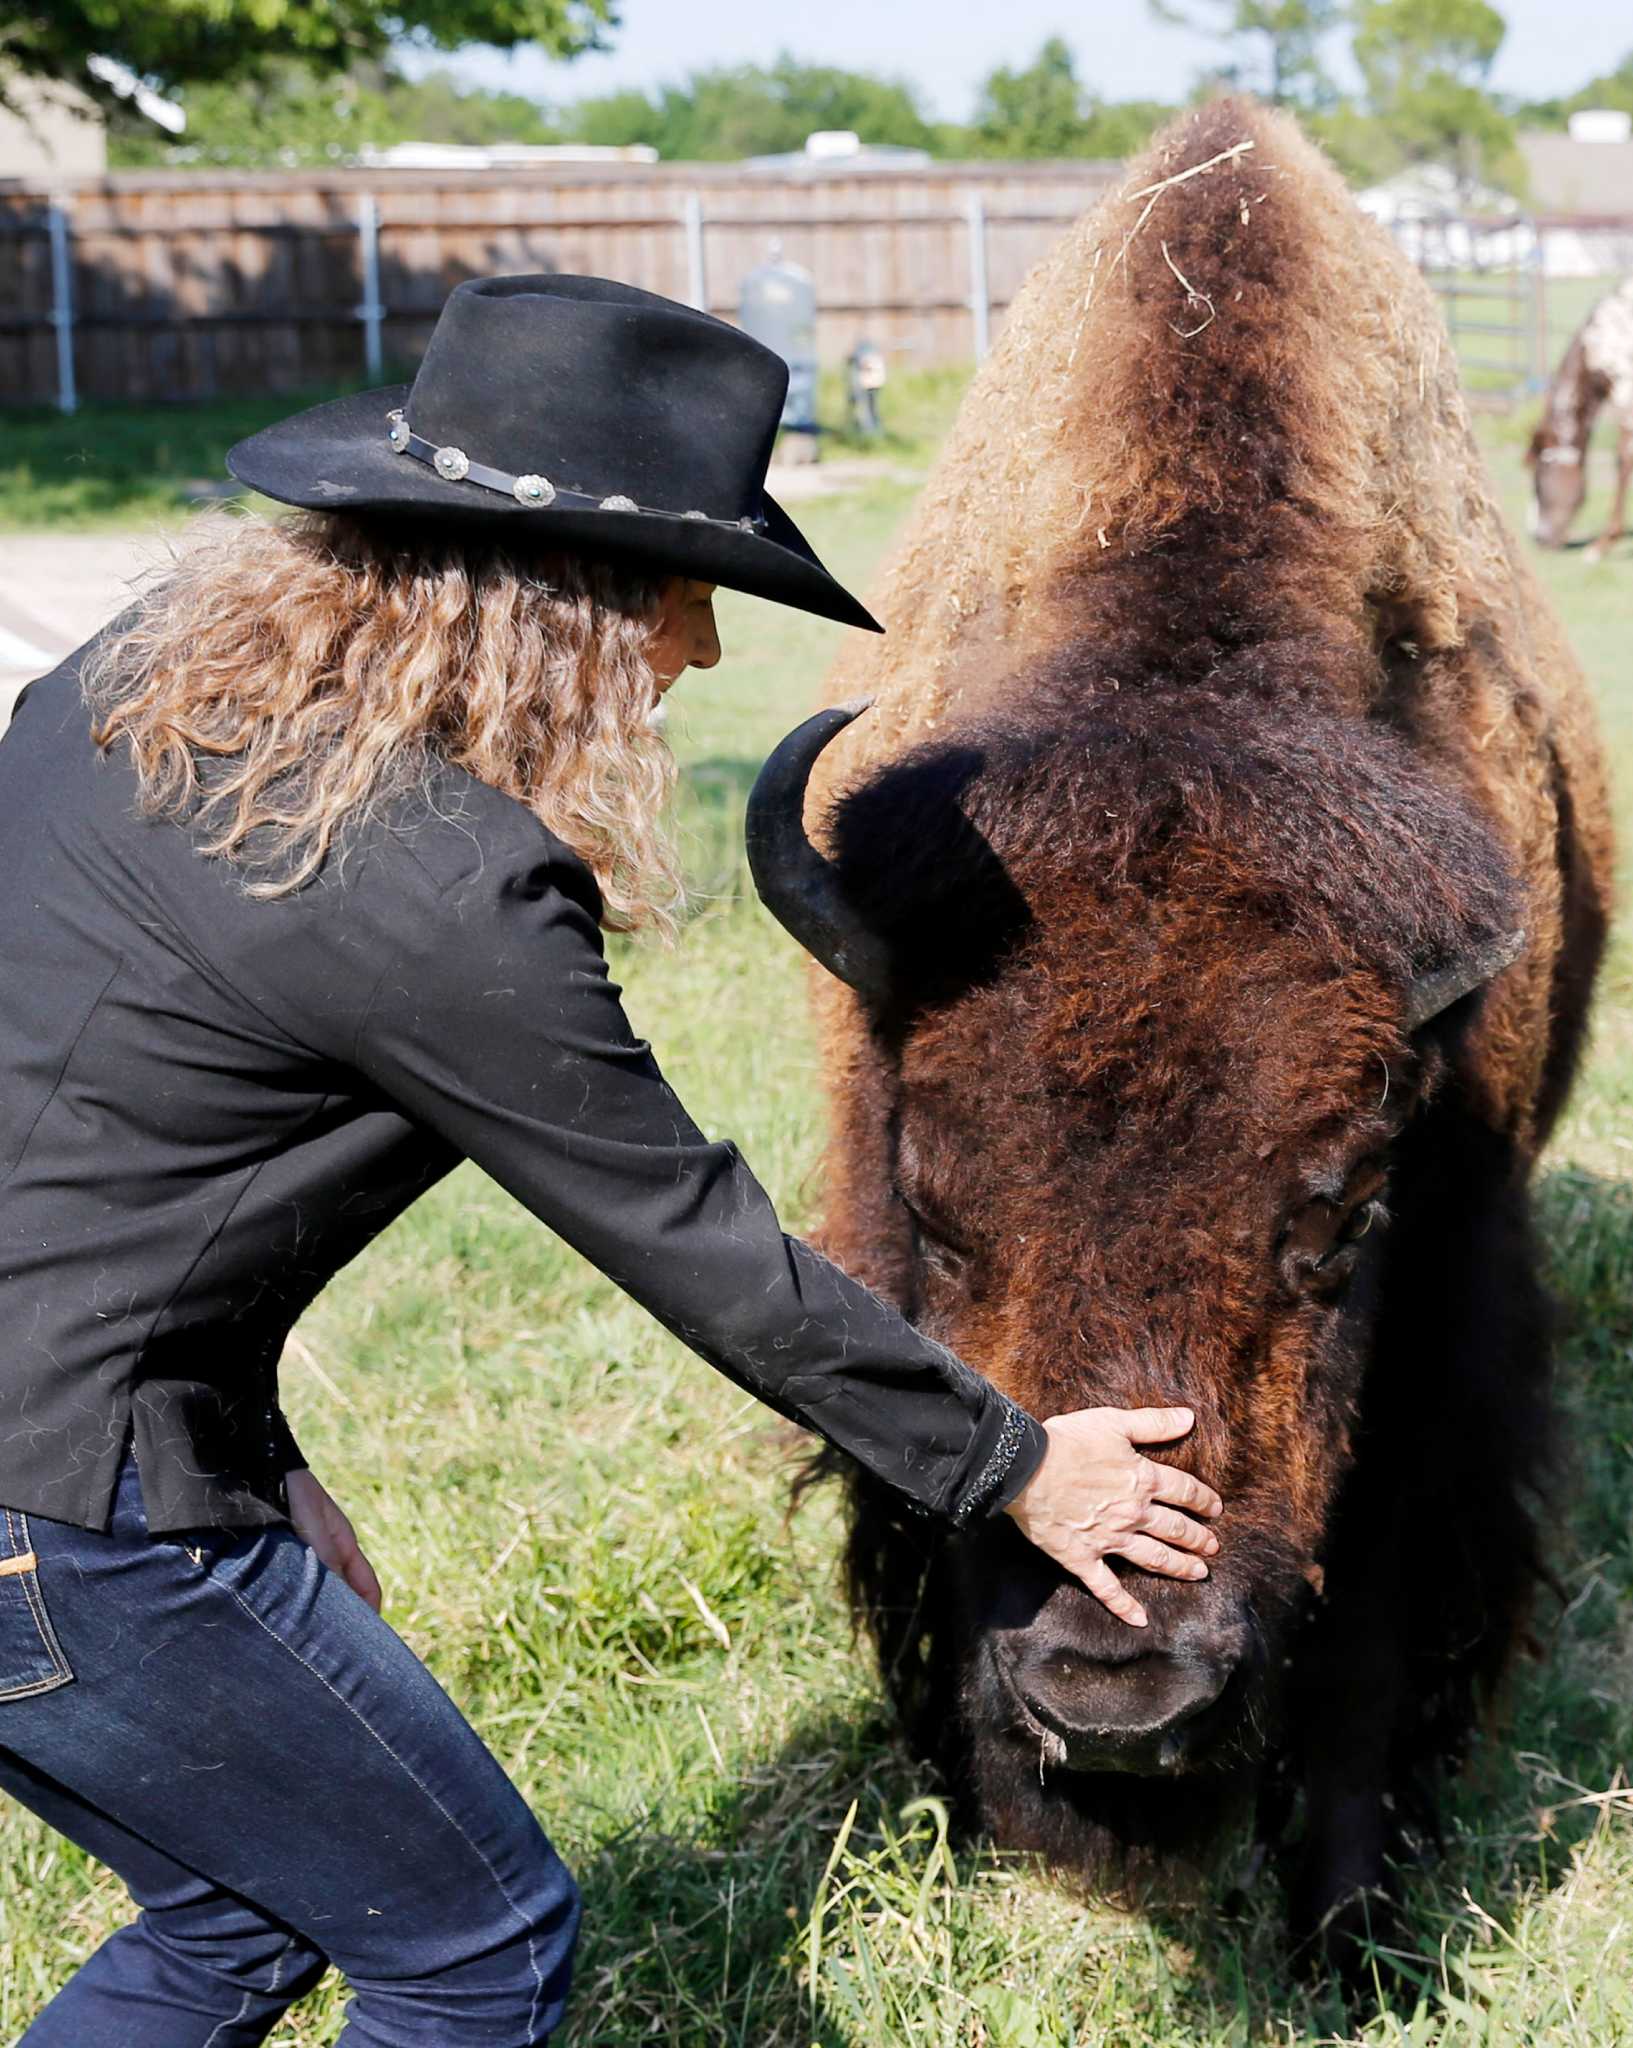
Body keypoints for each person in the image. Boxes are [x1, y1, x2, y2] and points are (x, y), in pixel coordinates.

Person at [0, 276, 1223, 2047]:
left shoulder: (110, 702)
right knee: (476, 1946)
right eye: (685, 591)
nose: (703, 655)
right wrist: (1021, 1469)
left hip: (60, 1464)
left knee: (237, 1923)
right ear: (562, 606)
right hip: (61, 1527)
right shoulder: (443, 881)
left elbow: (97, 1167)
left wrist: (241, 1458)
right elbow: (697, 1241)